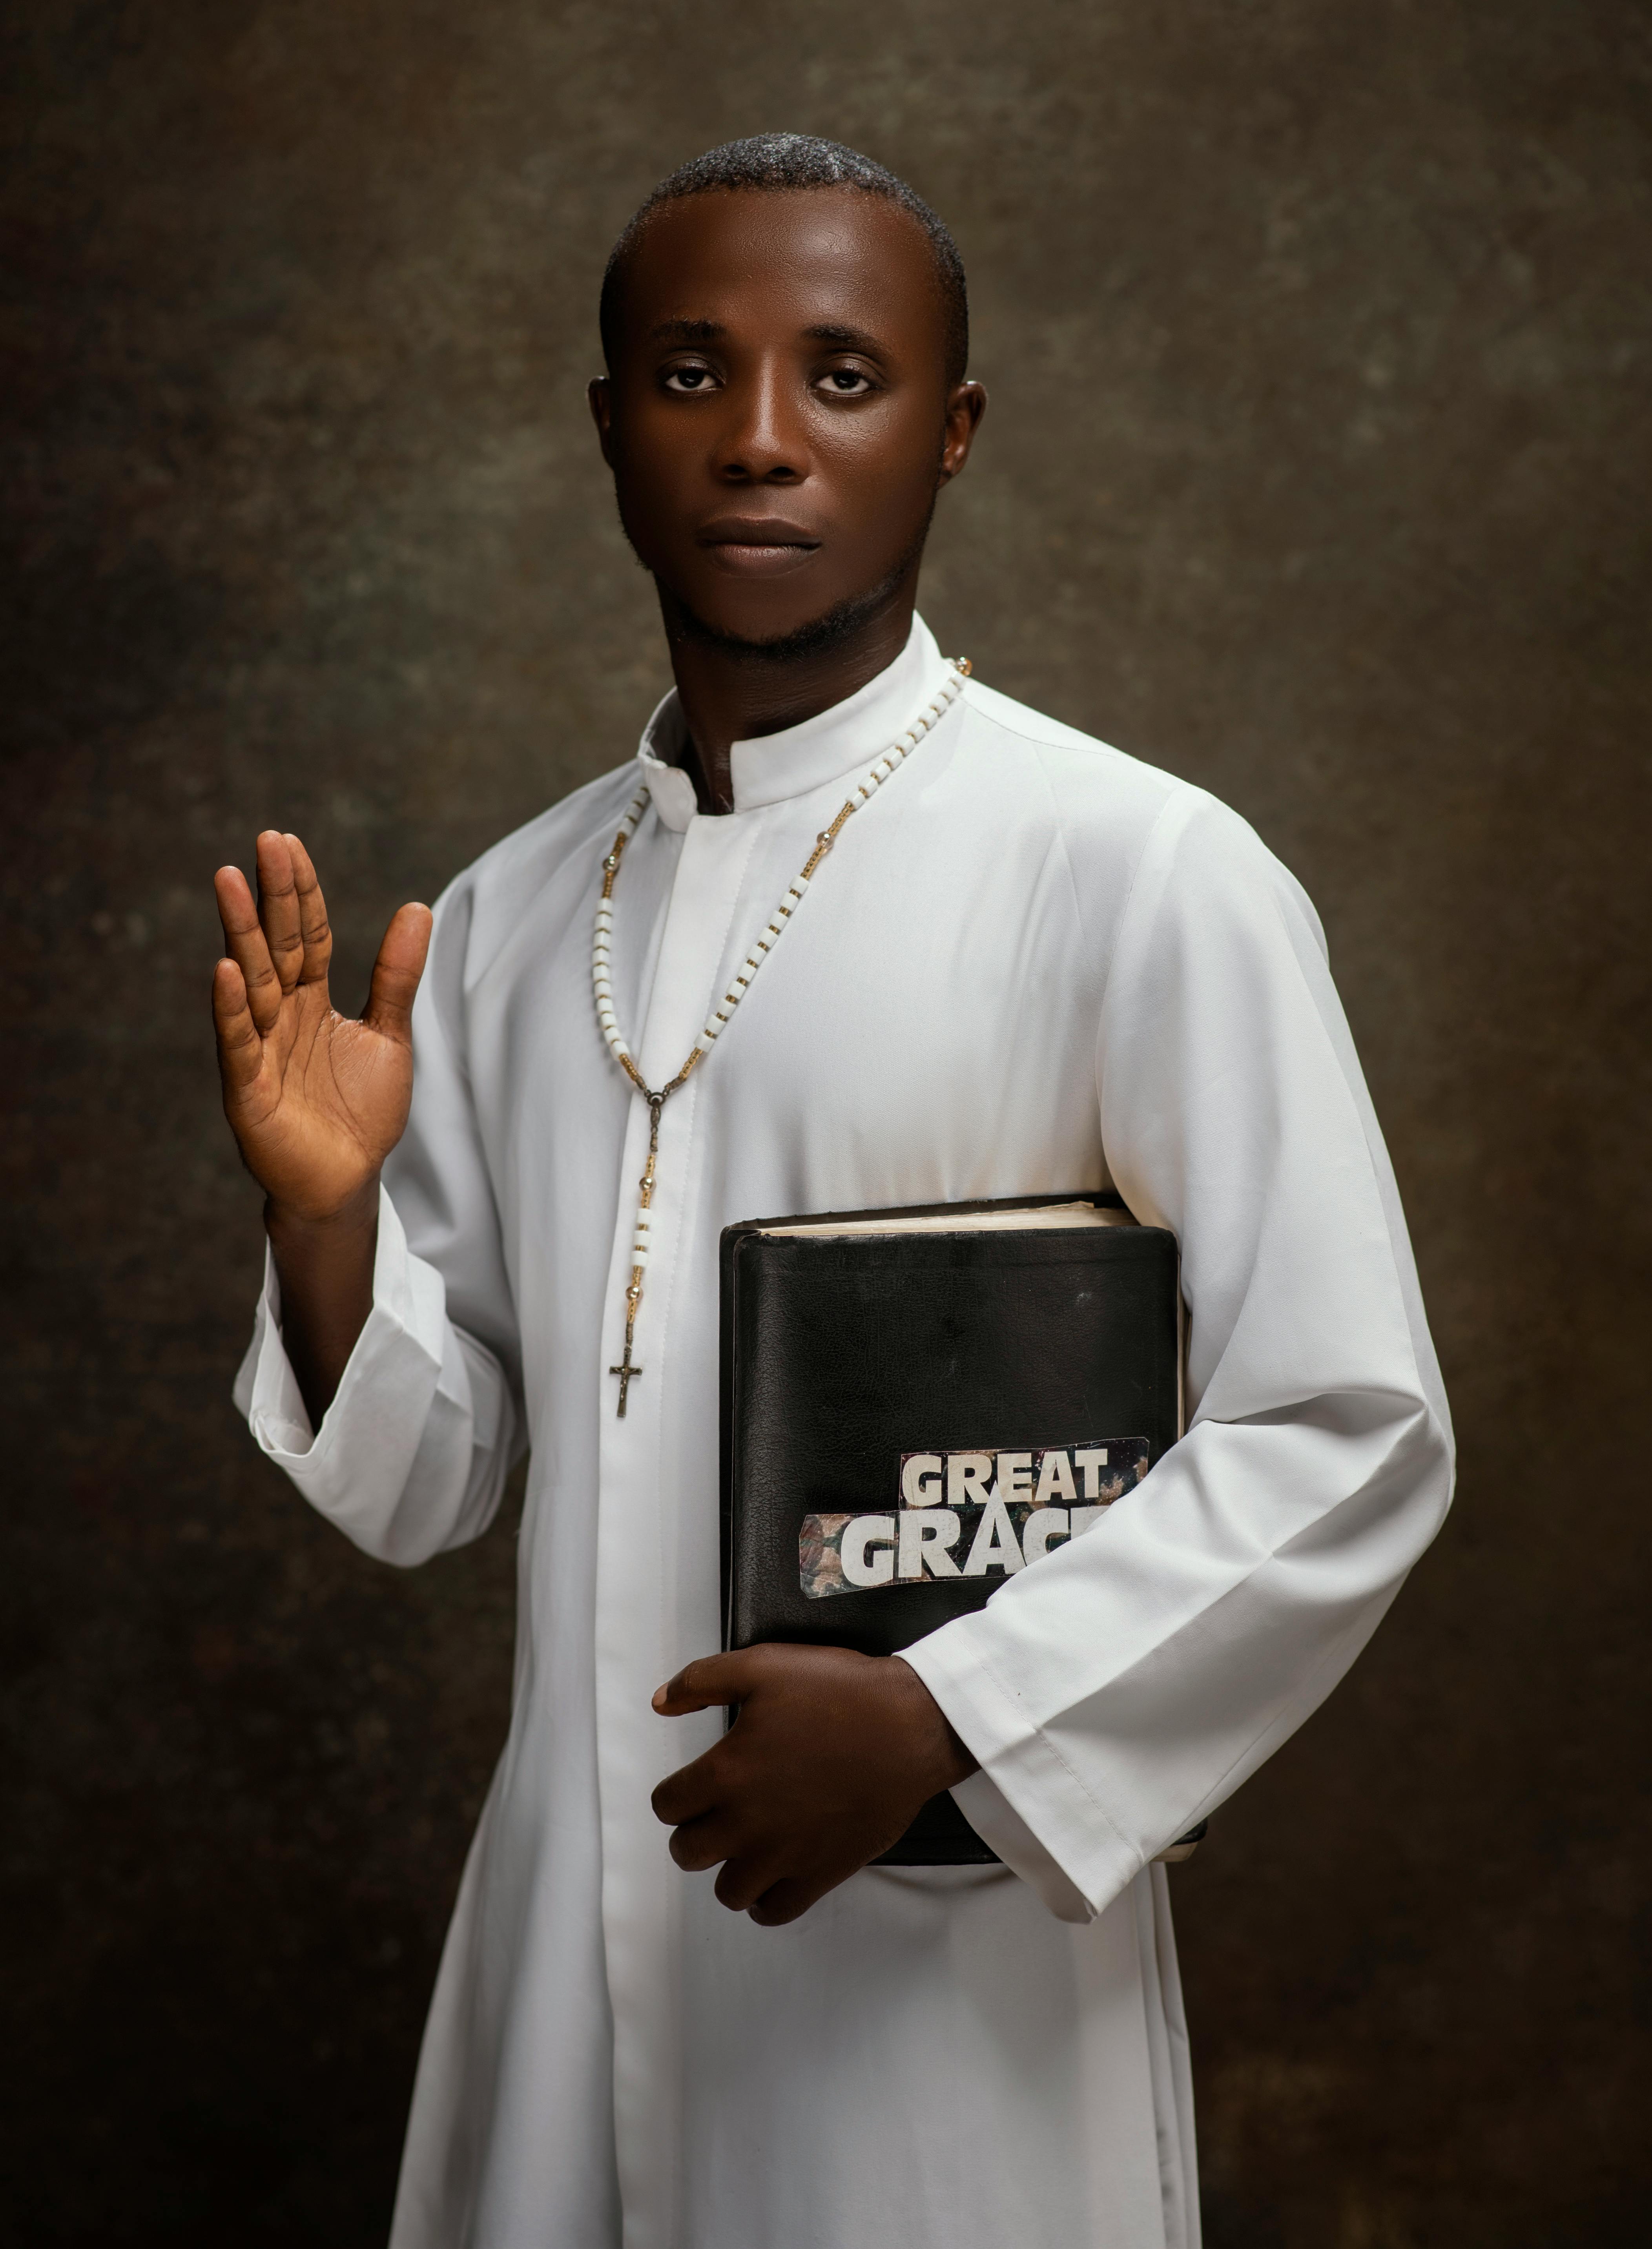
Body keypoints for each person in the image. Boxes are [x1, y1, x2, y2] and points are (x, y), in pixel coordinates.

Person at [213, 135, 1453, 2249]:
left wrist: (949, 1714)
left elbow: (1341, 1431)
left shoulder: (1134, 872)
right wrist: (324, 1223)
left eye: (844, 375)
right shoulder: (513, 915)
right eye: (692, 375)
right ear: (606, 429)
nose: (763, 439)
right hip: (557, 1960)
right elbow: (432, 1476)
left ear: (951, 431)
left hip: (930, 1984)